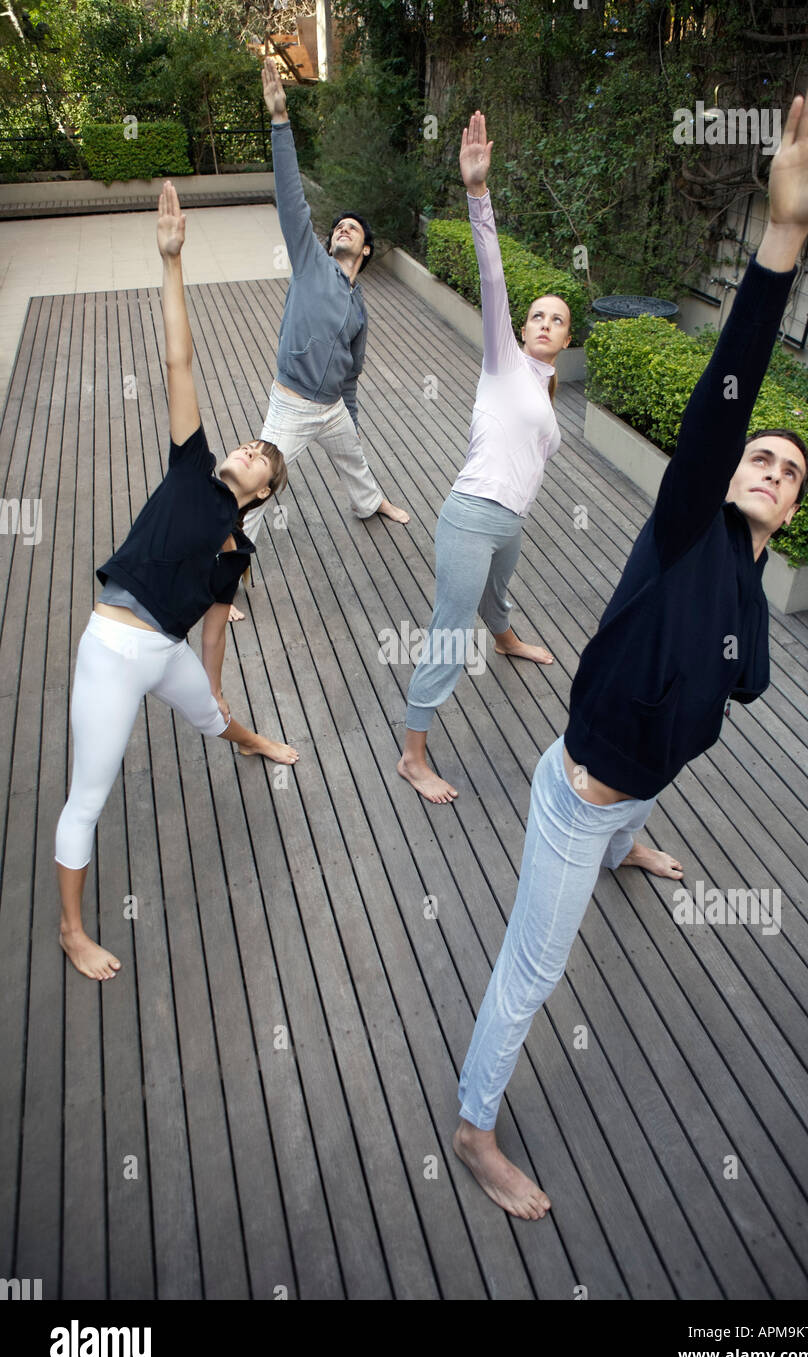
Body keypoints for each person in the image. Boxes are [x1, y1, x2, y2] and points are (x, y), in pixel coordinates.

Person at [453, 63, 808, 1219]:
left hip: (633, 788)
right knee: (532, 970)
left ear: (789, 511)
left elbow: (709, 697)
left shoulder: (744, 577)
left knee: (639, 797)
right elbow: (727, 396)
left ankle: (631, 840)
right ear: (725, 474)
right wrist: (780, 236)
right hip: (578, 793)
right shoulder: (687, 529)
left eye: (788, 471)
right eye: (759, 457)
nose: (769, 468)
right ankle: (472, 1123)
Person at [56, 179, 299, 983]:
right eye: (250, 443)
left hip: (166, 652)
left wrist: (216, 687)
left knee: (208, 713)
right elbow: (178, 357)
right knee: (87, 798)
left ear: (262, 491)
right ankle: (71, 929)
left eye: (262, 455)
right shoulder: (191, 466)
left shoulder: (236, 547)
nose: (247, 449)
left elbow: (218, 621)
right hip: (115, 645)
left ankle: (249, 736)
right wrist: (171, 261)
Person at [397, 111, 569, 803]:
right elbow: (492, 277)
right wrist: (477, 194)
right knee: (447, 629)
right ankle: (413, 755)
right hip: (470, 515)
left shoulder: (547, 385)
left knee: (496, 598)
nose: (548, 323)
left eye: (559, 319)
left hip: (509, 521)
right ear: (521, 329)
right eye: (538, 316)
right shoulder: (504, 361)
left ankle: (504, 639)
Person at [227, 57, 409, 622]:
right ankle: (223, 582)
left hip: (332, 408)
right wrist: (280, 121)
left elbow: (353, 373)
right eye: (339, 226)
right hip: (291, 406)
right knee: (256, 495)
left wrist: (348, 416)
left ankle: (367, 501)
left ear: (368, 251)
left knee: (354, 457)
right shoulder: (310, 263)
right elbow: (291, 200)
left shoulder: (360, 307)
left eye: (353, 228)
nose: (341, 229)